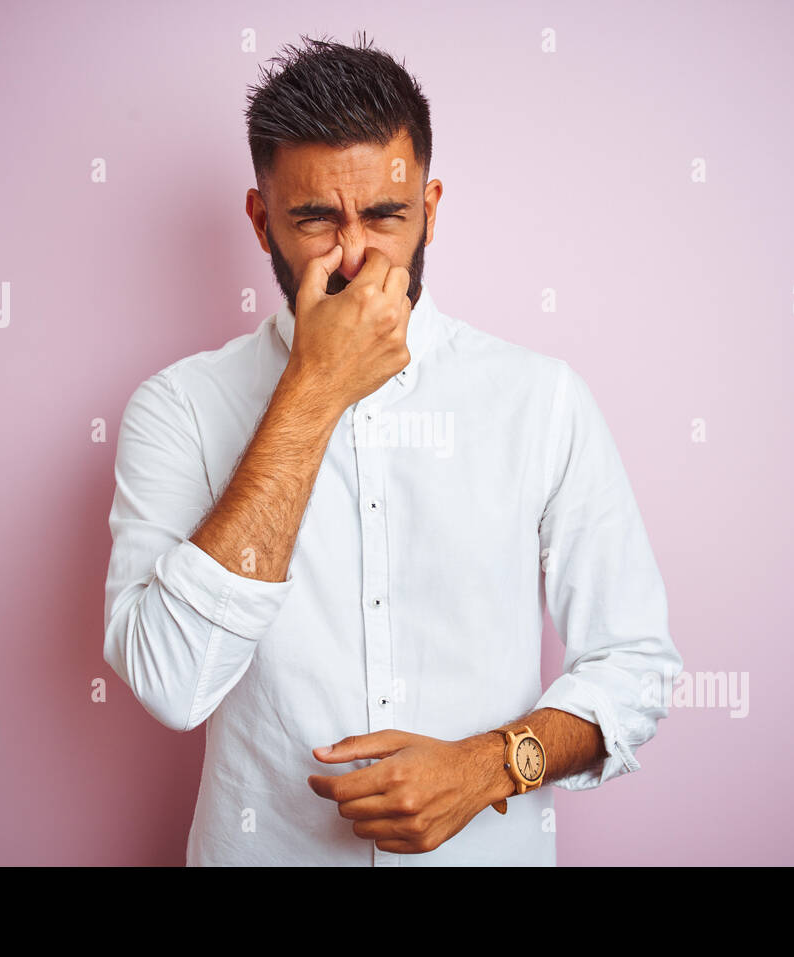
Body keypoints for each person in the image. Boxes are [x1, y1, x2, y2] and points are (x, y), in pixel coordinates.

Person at [102, 32, 684, 866]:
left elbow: (636, 662)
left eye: (385, 215)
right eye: (314, 219)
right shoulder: (176, 409)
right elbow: (171, 681)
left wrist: (489, 767)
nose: (355, 255)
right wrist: (314, 389)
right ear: (262, 219)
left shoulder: (541, 400)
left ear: (432, 211)